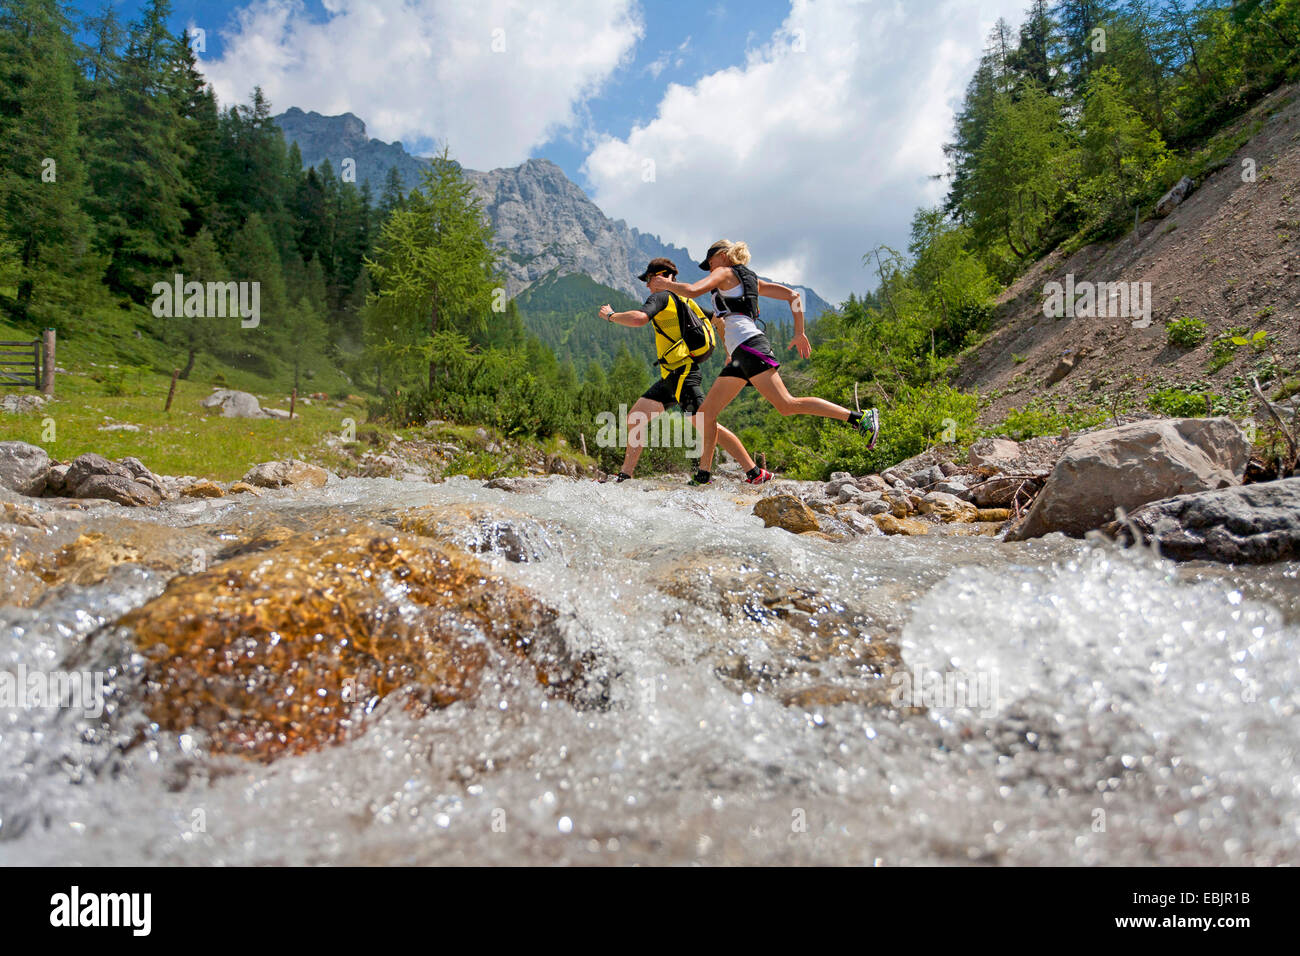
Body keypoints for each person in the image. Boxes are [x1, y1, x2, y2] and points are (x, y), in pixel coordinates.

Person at [648, 239, 879, 485]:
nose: (710, 267)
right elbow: (794, 296)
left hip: (749, 346)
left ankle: (860, 418)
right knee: (706, 414)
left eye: (710, 262)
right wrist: (798, 332)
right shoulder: (751, 281)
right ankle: (704, 475)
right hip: (741, 353)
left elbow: (693, 291)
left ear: (723, 256)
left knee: (787, 404)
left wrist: (665, 285)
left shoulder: (725, 272)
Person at [598, 257, 773, 484]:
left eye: (648, 279)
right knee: (635, 418)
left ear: (660, 276)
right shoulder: (685, 300)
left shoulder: (661, 296)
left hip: (682, 376)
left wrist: (611, 316)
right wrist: (728, 350)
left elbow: (640, 319)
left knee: (707, 423)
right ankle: (626, 475)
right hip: (672, 377)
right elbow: (717, 319)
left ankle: (754, 472)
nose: (647, 285)